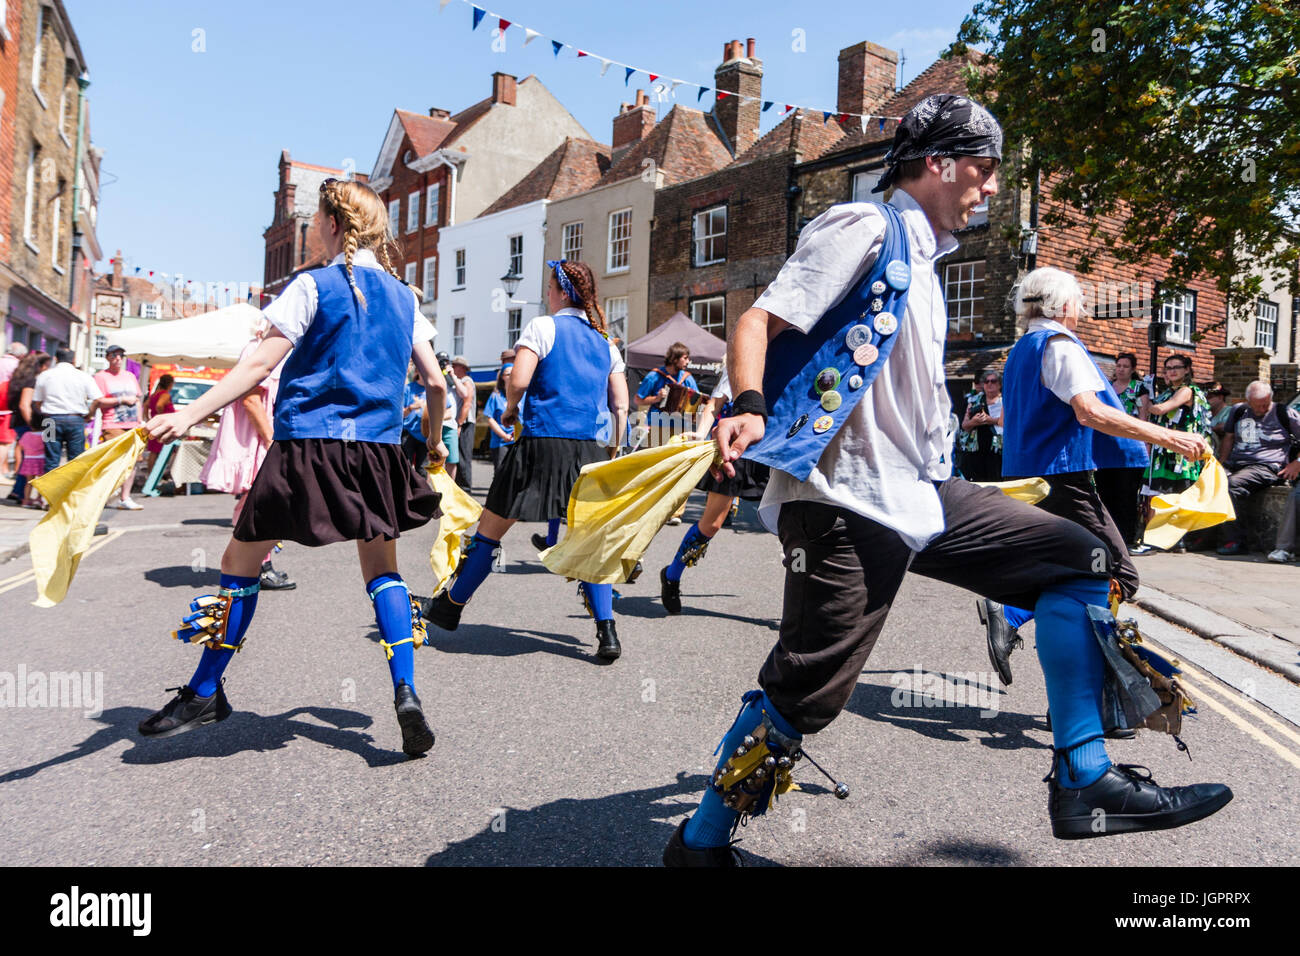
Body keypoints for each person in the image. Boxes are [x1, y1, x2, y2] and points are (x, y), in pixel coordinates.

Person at [663, 94, 1230, 866]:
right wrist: (750, 406)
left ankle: (1085, 777)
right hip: (843, 499)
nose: (992, 187)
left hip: (923, 492)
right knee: (807, 692)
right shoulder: (863, 226)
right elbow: (760, 320)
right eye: (984, 169)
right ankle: (699, 842)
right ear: (939, 164)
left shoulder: (927, 266)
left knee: (1082, 560)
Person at [136, 178, 448, 756]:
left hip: (307, 445)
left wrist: (188, 415)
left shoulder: (313, 285)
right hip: (377, 452)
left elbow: (257, 366)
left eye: (314, 223)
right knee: (383, 572)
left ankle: (206, 689)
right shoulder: (406, 298)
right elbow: (435, 383)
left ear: (330, 224)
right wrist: (431, 445)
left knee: (239, 563)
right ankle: (406, 690)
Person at [978, 268, 1209, 686]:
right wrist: (1169, 436)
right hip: (1063, 479)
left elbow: (1011, 418)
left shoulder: (1020, 350)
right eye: (1079, 305)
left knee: (1071, 573)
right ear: (1064, 305)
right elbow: (1092, 411)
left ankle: (1072, 688)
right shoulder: (1059, 344)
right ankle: (1078, 685)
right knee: (1117, 574)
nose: (1080, 313)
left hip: (1028, 480)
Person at [422, 259, 630, 662]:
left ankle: (450, 608)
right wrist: (615, 447)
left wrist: (510, 409)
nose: (547, 294)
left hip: (540, 444)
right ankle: (607, 633)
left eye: (550, 288)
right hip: (588, 450)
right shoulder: (606, 342)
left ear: (562, 292)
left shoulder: (543, 327)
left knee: (490, 532)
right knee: (593, 542)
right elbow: (620, 403)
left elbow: (517, 380)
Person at [659, 366, 770, 614]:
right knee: (712, 525)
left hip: (772, 451)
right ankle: (672, 574)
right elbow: (714, 405)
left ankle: (800, 601)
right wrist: (700, 434)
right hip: (733, 449)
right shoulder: (741, 362)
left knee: (790, 524)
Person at [199, 326, 295, 591]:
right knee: (259, 503)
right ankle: (256, 568)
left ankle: (254, 566)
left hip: (262, 438)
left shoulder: (277, 351)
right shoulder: (257, 349)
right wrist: (270, 439)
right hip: (254, 440)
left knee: (260, 503)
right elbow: (251, 400)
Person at [1215, 381, 1300, 555]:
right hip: (1237, 463)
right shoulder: (1238, 410)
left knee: (1230, 485)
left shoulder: (1284, 413)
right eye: (1257, 406)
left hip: (1267, 466)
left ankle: (1237, 541)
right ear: (1248, 401)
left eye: (1265, 404)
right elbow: (1229, 438)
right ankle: (1201, 536)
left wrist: (1297, 463)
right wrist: (1220, 464)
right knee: (1210, 482)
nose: (1262, 409)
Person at [1139, 355, 1210, 553]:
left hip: (1178, 454)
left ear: (1187, 369)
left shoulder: (1186, 391)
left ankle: (1172, 539)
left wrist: (1146, 399)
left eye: (1176, 367)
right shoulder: (1168, 391)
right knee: (1158, 495)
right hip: (1163, 452)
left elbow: (1161, 409)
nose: (1171, 371)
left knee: (1176, 496)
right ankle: (1159, 537)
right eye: (1168, 368)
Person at [1094, 352, 1150, 550]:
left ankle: (1127, 537)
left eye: (1125, 366)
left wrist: (1147, 445)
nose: (1121, 369)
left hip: (1131, 448)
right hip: (1106, 447)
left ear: (1132, 369)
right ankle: (1109, 536)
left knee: (1126, 495)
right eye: (1118, 365)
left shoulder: (1139, 389)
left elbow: (1143, 419)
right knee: (1105, 493)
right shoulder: (1106, 388)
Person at [32, 348, 102, 476]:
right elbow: (98, 399)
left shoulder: (45, 375)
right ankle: (71, 492)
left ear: (56, 359)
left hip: (50, 420)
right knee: (76, 459)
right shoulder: (83, 375)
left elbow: (37, 401)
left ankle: (50, 494)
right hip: (75, 420)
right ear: (73, 360)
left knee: (51, 458)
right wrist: (89, 414)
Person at [93, 344, 145, 510]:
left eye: (120, 356)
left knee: (132, 461)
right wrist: (121, 400)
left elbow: (137, 400)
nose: (117, 359)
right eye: (114, 356)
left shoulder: (129, 376)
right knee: (114, 461)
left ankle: (125, 497)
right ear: (107, 357)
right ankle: (104, 495)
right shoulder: (101, 377)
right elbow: (98, 400)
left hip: (132, 424)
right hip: (112, 423)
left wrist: (139, 420)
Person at [4, 350, 48, 503]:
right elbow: (24, 405)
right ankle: (21, 493)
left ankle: (19, 491)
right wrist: (33, 425)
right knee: (32, 459)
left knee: (26, 458)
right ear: (41, 366)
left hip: (20, 422)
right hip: (29, 423)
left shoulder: (21, 377)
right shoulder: (31, 381)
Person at [635, 343, 698, 442]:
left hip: (680, 429)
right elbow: (638, 400)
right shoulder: (654, 376)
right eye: (685, 358)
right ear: (674, 359)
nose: (688, 361)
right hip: (657, 426)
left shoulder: (688, 378)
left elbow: (697, 401)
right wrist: (657, 398)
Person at [957, 369, 1003, 481]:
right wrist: (974, 422)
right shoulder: (973, 400)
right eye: (986, 381)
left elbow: (1005, 423)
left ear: (1000, 384)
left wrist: (988, 420)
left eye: (993, 381)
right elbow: (964, 425)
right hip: (976, 450)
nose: (989, 384)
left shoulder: (1005, 401)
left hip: (998, 449)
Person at [482, 366, 517, 471]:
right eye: (508, 374)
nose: (511, 376)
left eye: (513, 373)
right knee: (501, 474)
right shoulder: (495, 396)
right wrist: (504, 435)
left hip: (518, 440)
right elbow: (489, 418)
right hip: (501, 441)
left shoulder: (521, 395)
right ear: (502, 377)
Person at [0, 341, 26, 479]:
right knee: (5, 442)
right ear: (21, 355)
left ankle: (4, 469)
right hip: (7, 407)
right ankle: (3, 470)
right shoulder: (16, 366)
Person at [451, 355, 476, 491]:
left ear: (462, 368)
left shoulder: (467, 380)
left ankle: (465, 487)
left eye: (455, 365)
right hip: (462, 422)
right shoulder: (461, 381)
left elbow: (467, 403)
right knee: (460, 455)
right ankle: (462, 486)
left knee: (463, 455)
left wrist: (459, 424)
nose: (453, 368)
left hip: (465, 422)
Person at [143, 374, 176, 478]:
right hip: (162, 427)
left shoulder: (154, 394)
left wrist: (148, 418)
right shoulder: (165, 395)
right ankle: (157, 475)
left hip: (155, 425)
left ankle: (151, 475)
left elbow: (146, 405)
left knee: (153, 452)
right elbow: (159, 405)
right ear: (170, 384)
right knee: (162, 451)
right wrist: (162, 417)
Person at [436, 351, 461, 482]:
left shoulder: (452, 378)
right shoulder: (435, 375)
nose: (443, 364)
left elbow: (464, 394)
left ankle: (451, 488)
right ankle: (435, 489)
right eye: (441, 362)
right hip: (435, 424)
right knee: (435, 459)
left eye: (445, 361)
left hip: (450, 424)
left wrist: (452, 375)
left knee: (452, 459)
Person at [401, 364, 429, 472]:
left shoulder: (432, 389)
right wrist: (411, 407)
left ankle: (420, 489)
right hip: (408, 434)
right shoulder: (408, 389)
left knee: (422, 470)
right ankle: (406, 489)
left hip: (425, 434)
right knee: (405, 468)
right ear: (417, 371)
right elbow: (400, 414)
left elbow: (448, 412)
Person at [16, 427, 48, 508]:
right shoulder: (44, 435)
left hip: (28, 460)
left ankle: (26, 500)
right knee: (42, 482)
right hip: (41, 460)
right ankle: (38, 499)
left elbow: (20, 446)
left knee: (28, 482)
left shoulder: (26, 434)